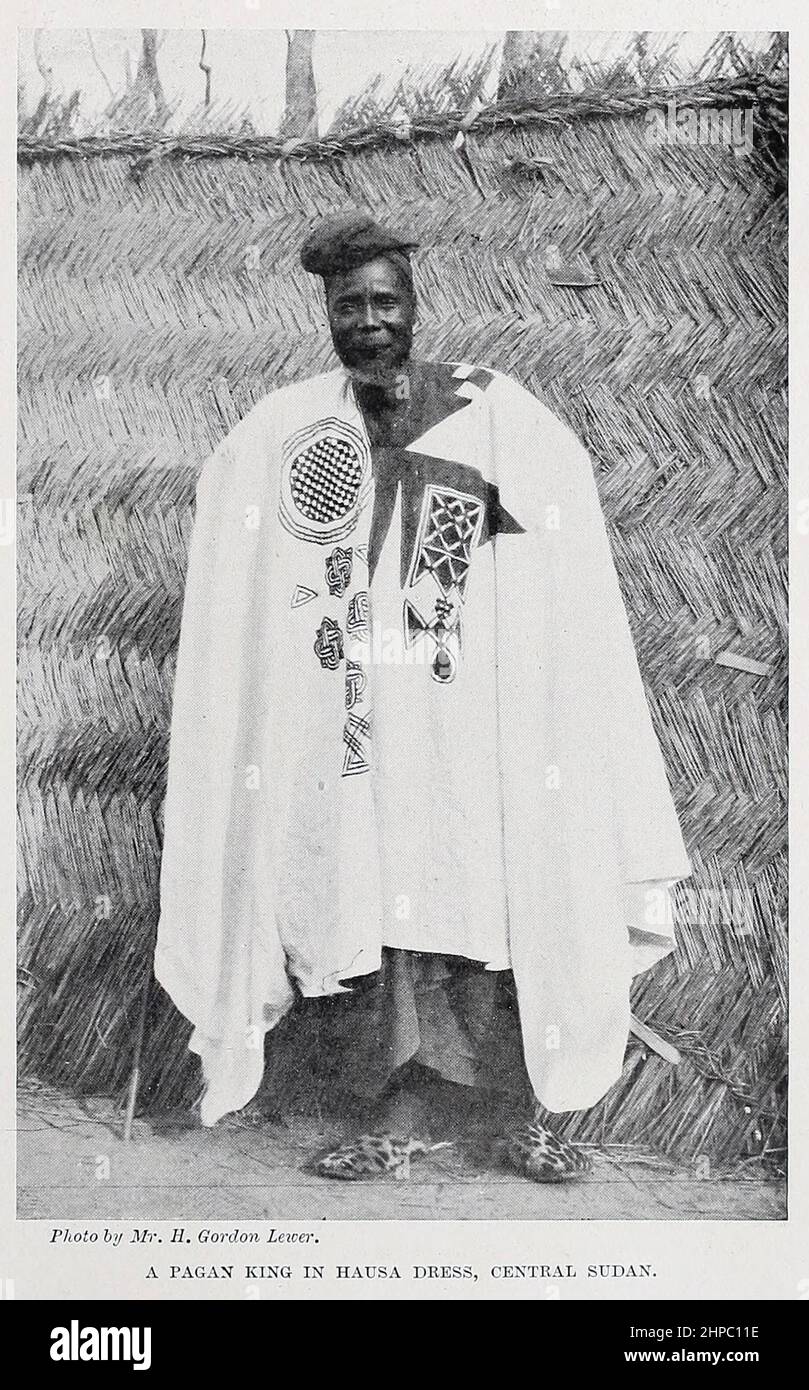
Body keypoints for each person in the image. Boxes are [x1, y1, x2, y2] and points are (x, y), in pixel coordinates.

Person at [155, 211, 692, 1182]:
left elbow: (551, 524)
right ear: (325, 312)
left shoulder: (489, 411)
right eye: (347, 304)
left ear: (414, 306)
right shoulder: (301, 424)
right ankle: (396, 1115)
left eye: (383, 301)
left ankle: (531, 1114)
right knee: (383, 910)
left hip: (473, 720)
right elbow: (249, 514)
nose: (367, 321)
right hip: (366, 728)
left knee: (516, 887)